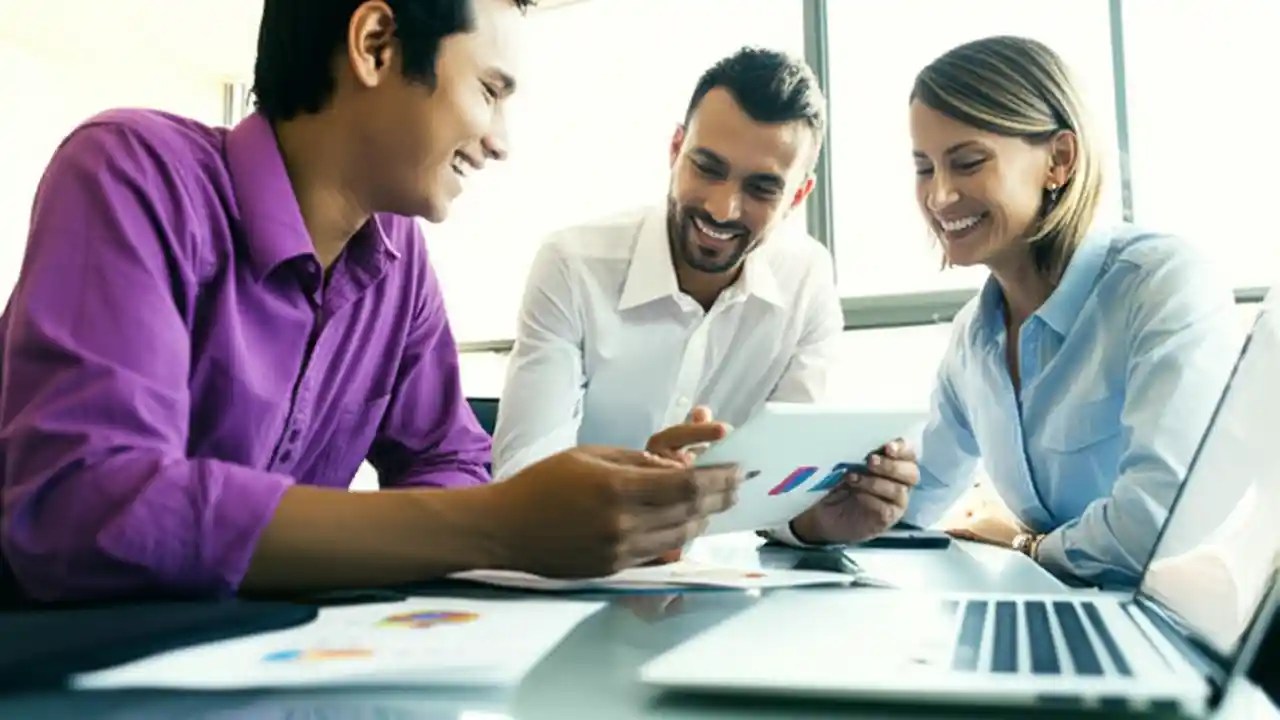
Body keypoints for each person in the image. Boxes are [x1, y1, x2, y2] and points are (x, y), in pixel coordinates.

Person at [0, 0, 742, 604]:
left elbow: (446, 460)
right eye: (489, 90)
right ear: (377, 44)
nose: (500, 141)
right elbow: (85, 506)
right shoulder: (132, 172)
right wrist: (496, 525)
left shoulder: (397, 258)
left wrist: (592, 513)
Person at [492, 47, 919, 547]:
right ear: (676, 150)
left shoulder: (808, 279)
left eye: (762, 188)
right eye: (708, 168)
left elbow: (784, 485)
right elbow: (523, 479)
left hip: (730, 588)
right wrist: (637, 489)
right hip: (576, 570)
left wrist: (817, 522)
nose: (722, 207)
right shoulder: (572, 265)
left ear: (799, 196)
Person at [902, 35, 1244, 587]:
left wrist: (1026, 547)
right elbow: (911, 496)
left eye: (967, 163)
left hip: (1182, 633)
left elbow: (1158, 524)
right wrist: (816, 512)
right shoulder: (975, 337)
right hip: (1063, 620)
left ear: (1059, 159)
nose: (940, 197)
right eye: (924, 168)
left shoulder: (1160, 285)